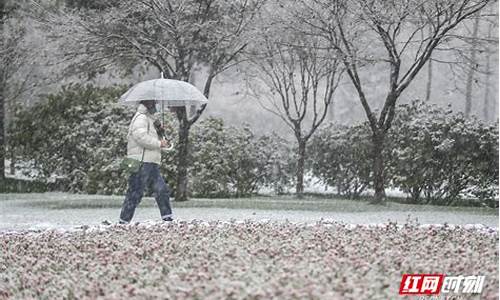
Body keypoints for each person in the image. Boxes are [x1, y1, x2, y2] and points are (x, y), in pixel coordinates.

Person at [119, 100, 173, 224]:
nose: (156, 105)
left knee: (161, 190)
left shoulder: (151, 119)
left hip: (150, 162)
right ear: (148, 104)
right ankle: (123, 221)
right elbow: (141, 138)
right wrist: (159, 143)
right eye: (154, 103)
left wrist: (160, 133)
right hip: (140, 161)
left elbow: (161, 142)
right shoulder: (141, 118)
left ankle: (167, 218)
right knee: (135, 193)